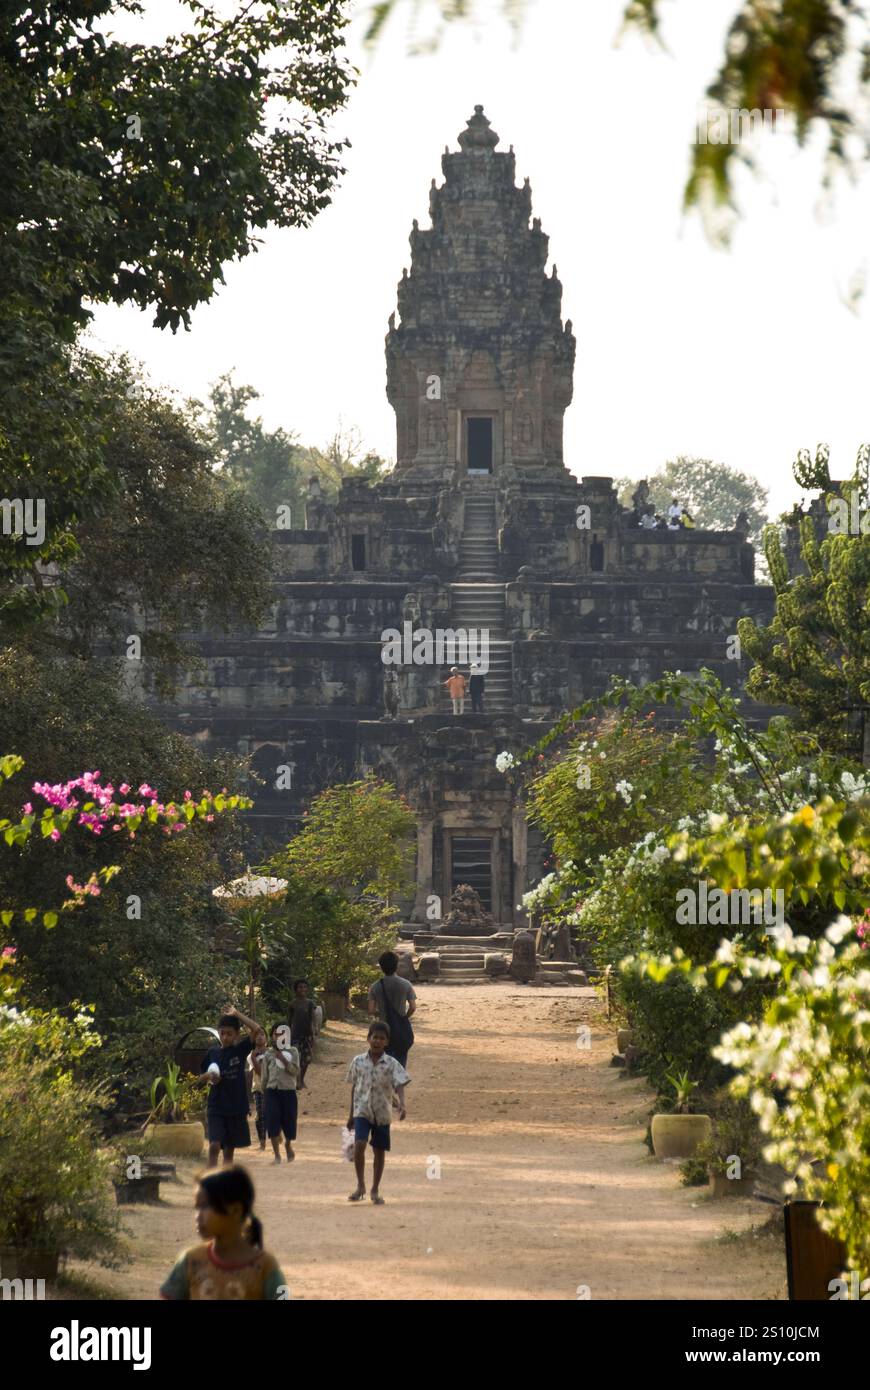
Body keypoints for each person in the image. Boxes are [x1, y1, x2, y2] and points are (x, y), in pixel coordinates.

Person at [160, 1166, 287, 1300]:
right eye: (197, 1207)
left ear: (235, 1211)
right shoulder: (190, 1261)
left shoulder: (266, 1267)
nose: (198, 1216)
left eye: (205, 1206)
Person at [346, 1022, 410, 1205]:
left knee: (379, 1151)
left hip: (382, 1113)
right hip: (362, 1111)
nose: (377, 1041)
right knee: (359, 1144)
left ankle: (375, 1189)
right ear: (368, 1039)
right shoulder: (358, 1061)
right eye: (374, 1037)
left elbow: (399, 1085)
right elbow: (354, 1088)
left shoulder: (392, 1064)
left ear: (387, 1042)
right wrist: (351, 1115)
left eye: (382, 1038)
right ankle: (360, 1186)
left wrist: (403, 1105)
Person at [198, 1005, 265, 1168]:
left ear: (237, 1035)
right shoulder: (212, 1053)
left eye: (229, 1034)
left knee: (229, 1150)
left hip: (236, 1107)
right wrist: (208, 1076)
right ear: (218, 1032)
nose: (225, 1037)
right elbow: (200, 1078)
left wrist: (237, 1014)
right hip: (216, 1106)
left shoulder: (239, 1050)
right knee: (214, 1146)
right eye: (222, 1033)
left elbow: (256, 1028)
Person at [259, 1023, 300, 1164]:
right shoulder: (268, 1054)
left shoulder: (293, 1051)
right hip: (272, 1091)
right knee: (272, 1122)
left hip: (288, 1091)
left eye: (282, 1034)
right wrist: (264, 1093)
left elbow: (295, 1071)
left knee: (289, 1122)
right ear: (272, 1036)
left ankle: (288, 1145)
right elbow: (265, 1076)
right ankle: (277, 1155)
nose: (279, 1037)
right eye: (276, 1034)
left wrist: (283, 1059)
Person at [368, 950, 416, 1068]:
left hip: (383, 1031)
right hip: (401, 1031)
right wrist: (403, 1018)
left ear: (381, 967)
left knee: (383, 1064)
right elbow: (413, 1007)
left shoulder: (375, 986)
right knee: (399, 1067)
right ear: (396, 965)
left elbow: (371, 1010)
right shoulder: (406, 984)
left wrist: (381, 1015)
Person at [288, 978, 316, 1089]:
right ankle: (298, 1081)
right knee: (296, 1058)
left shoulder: (310, 1003)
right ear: (296, 989)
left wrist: (314, 1032)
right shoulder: (292, 1004)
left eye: (304, 987)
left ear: (307, 989)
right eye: (300, 987)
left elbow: (313, 1018)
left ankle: (302, 1079)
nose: (302, 989)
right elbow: (289, 1021)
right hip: (295, 1035)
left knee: (307, 1059)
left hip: (307, 1035)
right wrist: (287, 1033)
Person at [249, 1035, 267, 1152]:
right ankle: (262, 1142)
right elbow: (259, 1072)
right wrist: (254, 1058)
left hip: (270, 1087)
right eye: (257, 1035)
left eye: (262, 1034)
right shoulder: (250, 1056)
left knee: (269, 1114)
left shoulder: (272, 1053)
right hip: (258, 1088)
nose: (259, 1037)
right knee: (260, 1115)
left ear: (266, 1039)